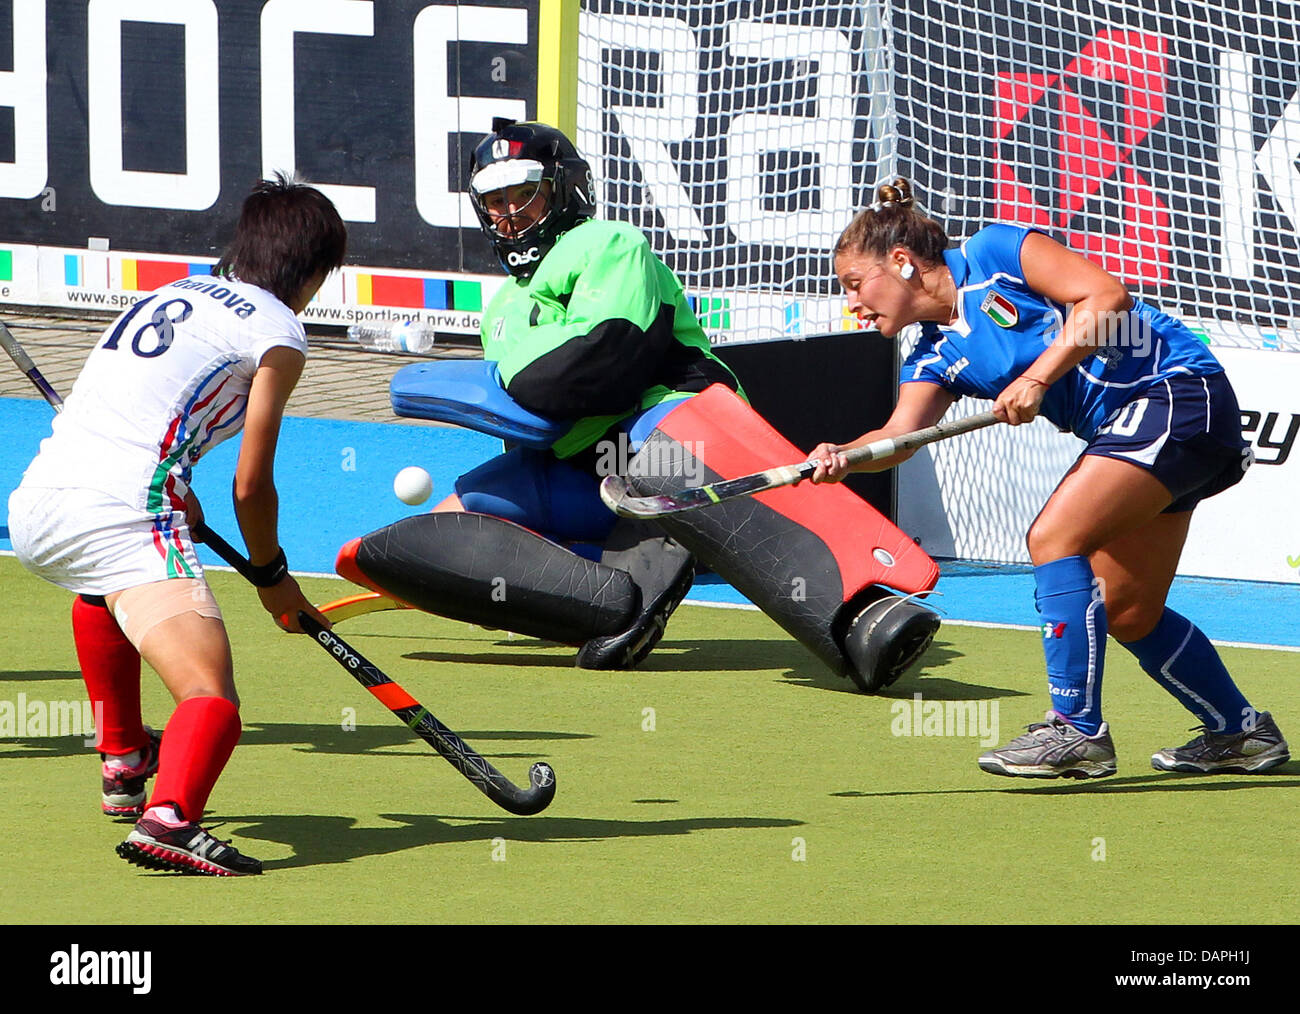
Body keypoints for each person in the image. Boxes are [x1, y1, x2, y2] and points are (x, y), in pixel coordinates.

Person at [338, 120, 941, 689]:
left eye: (523, 195)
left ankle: (866, 613)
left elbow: (594, 366)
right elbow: (536, 415)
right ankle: (614, 600)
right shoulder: (499, 306)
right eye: (494, 203)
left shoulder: (608, 242)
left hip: (672, 442)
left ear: (564, 191)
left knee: (663, 451)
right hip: (584, 469)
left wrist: (511, 384)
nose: (508, 214)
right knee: (425, 536)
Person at [809, 178, 1289, 778]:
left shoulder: (993, 253)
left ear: (902, 262)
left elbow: (1106, 296)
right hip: (1140, 432)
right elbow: (898, 436)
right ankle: (1241, 734)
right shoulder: (930, 353)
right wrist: (843, 457)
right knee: (1129, 613)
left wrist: (1038, 376)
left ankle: (1076, 731)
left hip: (1172, 392)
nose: (851, 303)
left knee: (1053, 538)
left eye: (855, 284)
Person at [8, 173, 347, 874]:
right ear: (310, 273)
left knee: (106, 589)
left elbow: (138, 408)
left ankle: (125, 759)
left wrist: (177, 479)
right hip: (125, 512)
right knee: (211, 698)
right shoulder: (278, 330)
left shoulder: (171, 293)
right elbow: (252, 485)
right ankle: (170, 818)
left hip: (38, 507)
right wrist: (272, 576)